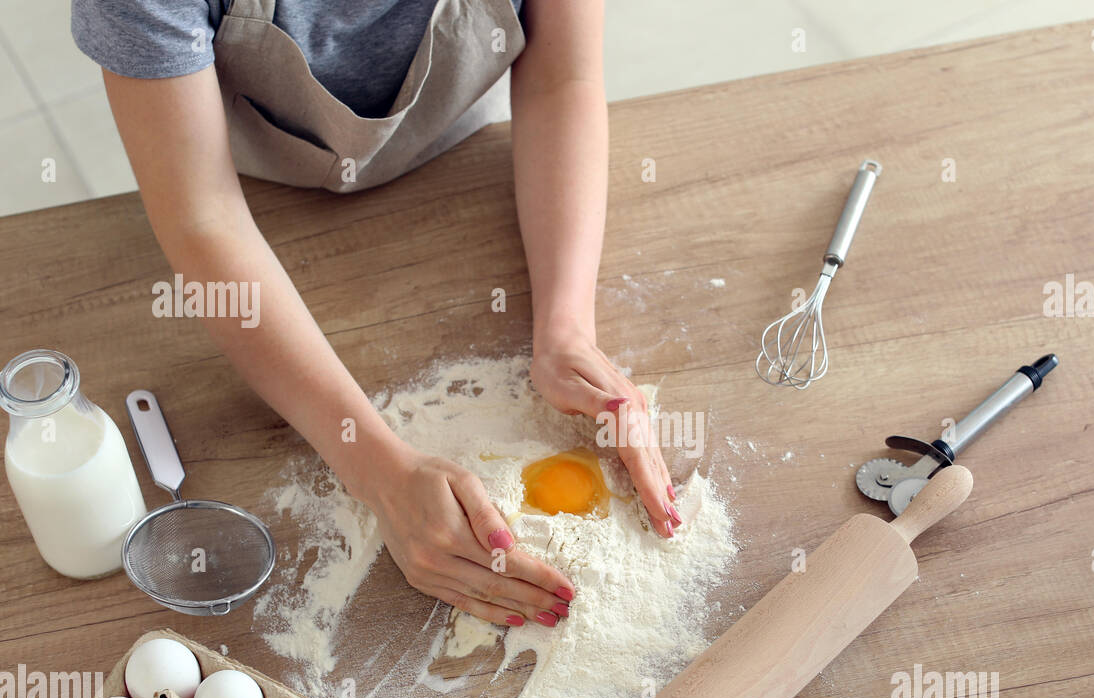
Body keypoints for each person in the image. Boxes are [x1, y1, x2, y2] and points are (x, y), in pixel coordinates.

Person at [71, 0, 683, 630]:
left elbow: (563, 79)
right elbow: (203, 216)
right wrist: (379, 472)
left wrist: (566, 328)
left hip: (457, 163)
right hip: (258, 200)